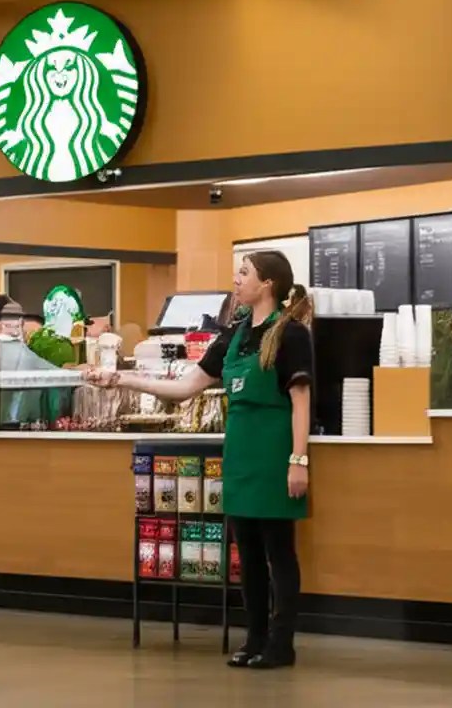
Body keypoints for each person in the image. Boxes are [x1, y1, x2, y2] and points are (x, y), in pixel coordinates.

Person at [88, 250, 313, 670]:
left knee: (279, 552)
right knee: (246, 552)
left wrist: (298, 460)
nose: (236, 278)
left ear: (267, 284)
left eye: (244, 272)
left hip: (275, 449)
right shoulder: (233, 335)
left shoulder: (291, 334)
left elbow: (301, 400)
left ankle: (282, 645)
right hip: (241, 451)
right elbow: (185, 387)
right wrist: (120, 378)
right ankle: (255, 639)